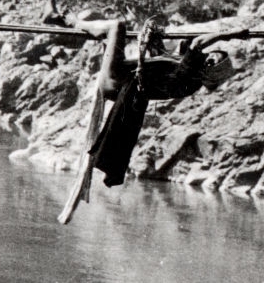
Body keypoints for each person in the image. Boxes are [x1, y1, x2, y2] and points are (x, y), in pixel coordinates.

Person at [57, 14, 248, 223]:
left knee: (116, 26)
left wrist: (230, 34)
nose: (210, 56)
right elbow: (172, 56)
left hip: (114, 80)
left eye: (214, 60)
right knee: (113, 35)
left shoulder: (190, 74)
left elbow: (197, 43)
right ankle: (72, 24)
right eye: (215, 54)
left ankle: (71, 22)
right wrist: (155, 41)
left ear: (209, 69)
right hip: (119, 83)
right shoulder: (188, 75)